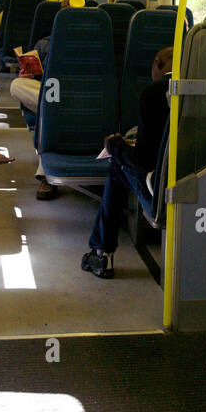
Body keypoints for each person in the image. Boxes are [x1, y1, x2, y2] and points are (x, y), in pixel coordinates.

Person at [80, 46, 173, 279]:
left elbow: (142, 162)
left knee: (118, 166)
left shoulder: (155, 93)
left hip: (163, 193)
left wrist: (115, 146)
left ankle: (102, 254)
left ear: (157, 65)